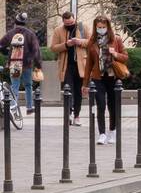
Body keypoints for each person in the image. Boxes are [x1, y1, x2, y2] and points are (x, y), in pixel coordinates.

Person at [86, 14, 128, 144]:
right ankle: (102, 133)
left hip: (113, 77)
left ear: (108, 27)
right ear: (95, 27)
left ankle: (113, 131)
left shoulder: (116, 40)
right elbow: (89, 64)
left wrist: (115, 54)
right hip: (98, 78)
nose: (101, 29)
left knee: (113, 105)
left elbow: (125, 57)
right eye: (99, 27)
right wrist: (85, 83)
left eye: (103, 27)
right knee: (100, 105)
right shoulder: (92, 42)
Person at [51, 11, 89, 126]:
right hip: (66, 66)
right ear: (63, 22)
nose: (69, 25)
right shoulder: (58, 30)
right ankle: (69, 114)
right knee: (68, 91)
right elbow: (53, 48)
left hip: (81, 65)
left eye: (71, 22)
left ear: (75, 19)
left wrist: (79, 42)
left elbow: (92, 42)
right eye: (67, 24)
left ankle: (77, 115)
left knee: (78, 92)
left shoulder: (83, 27)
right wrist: (66, 45)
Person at [0, 11, 41, 114]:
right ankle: (29, 107)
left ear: (15, 22)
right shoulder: (30, 34)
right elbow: (36, 50)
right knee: (28, 85)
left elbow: (1, 45)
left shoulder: (10, 33)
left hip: (14, 64)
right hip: (27, 64)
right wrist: (38, 64)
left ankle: (13, 107)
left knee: (15, 85)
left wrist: (6, 52)